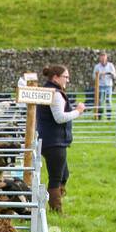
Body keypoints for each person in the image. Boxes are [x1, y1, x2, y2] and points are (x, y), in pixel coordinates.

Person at [36, 64, 86, 214]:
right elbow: (59, 118)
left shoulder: (48, 90)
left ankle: (56, 199)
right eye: (66, 77)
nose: (67, 80)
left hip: (49, 139)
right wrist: (78, 111)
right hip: (54, 141)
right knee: (56, 176)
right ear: (56, 77)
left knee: (64, 174)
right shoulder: (55, 94)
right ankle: (56, 209)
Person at [93, 53, 116, 121]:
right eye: (101, 58)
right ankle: (99, 117)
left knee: (108, 101)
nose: (103, 59)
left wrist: (109, 73)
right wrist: (99, 75)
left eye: (104, 58)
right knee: (100, 101)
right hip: (100, 86)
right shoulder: (97, 66)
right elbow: (94, 77)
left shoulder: (110, 65)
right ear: (99, 58)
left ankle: (109, 117)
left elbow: (115, 76)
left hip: (108, 86)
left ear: (106, 58)